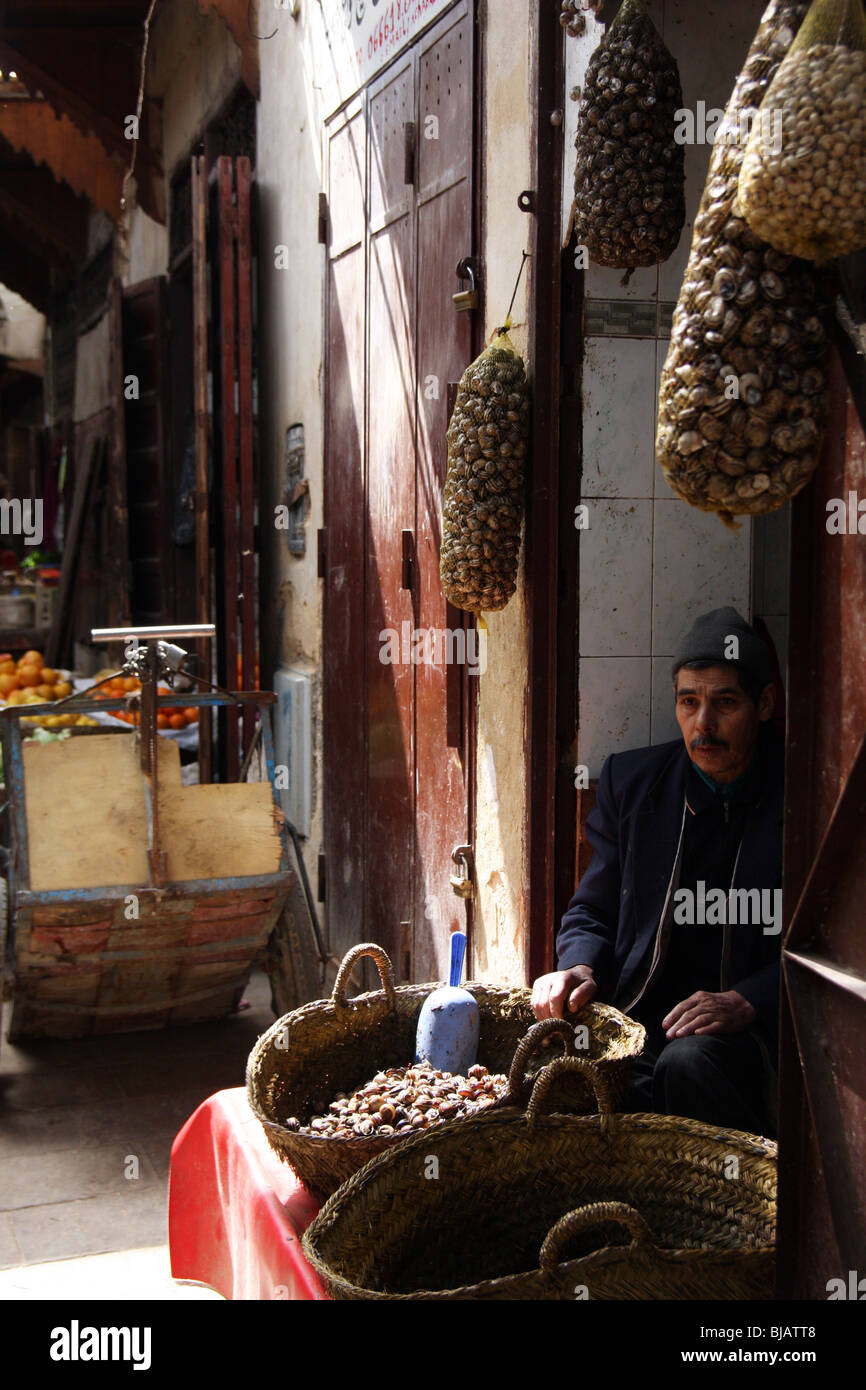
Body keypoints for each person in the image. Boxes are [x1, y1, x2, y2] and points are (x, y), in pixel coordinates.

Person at [532, 606, 783, 1135]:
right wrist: (578, 966)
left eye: (725, 703)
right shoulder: (637, 784)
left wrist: (748, 1000)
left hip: (744, 1034)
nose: (703, 724)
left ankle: (730, 1208)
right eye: (688, 702)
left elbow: (829, 944)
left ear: (764, 704)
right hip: (639, 1019)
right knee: (548, 1071)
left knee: (686, 1065)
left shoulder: (800, 796)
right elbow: (591, 909)